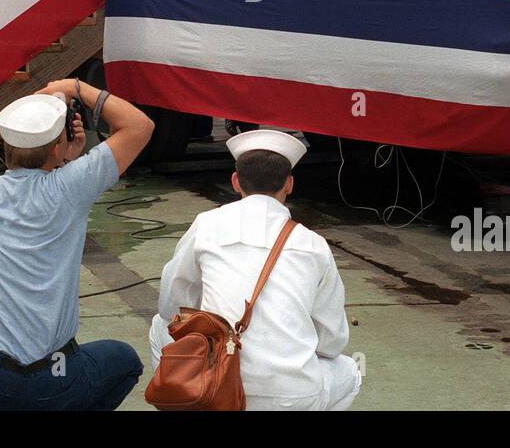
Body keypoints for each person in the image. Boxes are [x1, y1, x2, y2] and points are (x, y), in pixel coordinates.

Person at [0, 80, 154, 410]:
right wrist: (74, 87)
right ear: (58, 148)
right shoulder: (71, 189)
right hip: (55, 380)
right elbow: (138, 125)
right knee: (126, 361)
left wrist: (56, 155)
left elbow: (27, 174)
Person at [149, 130, 360, 411]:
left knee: (158, 326)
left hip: (217, 385)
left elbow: (170, 306)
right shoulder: (313, 244)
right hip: (294, 398)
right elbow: (332, 343)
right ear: (289, 184)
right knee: (349, 370)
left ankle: (191, 400)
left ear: (236, 182)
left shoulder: (207, 224)